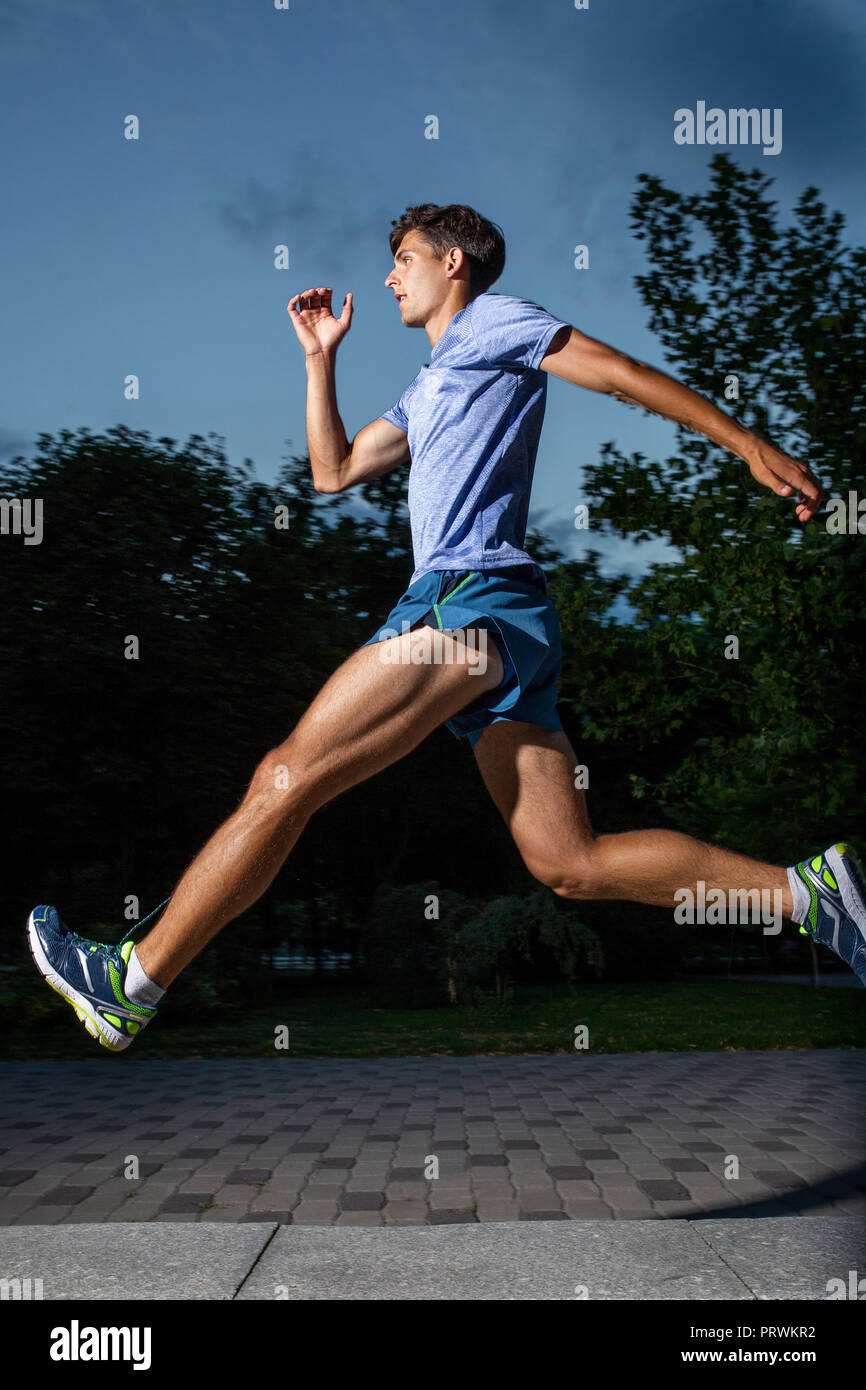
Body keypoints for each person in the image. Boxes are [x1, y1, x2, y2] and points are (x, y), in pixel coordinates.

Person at [27, 203, 866, 1051]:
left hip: (470, 602)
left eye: (404, 258)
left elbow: (611, 370)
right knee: (570, 866)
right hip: (501, 629)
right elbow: (334, 471)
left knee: (287, 775)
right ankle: (811, 896)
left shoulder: (496, 320)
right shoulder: (430, 383)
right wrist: (320, 361)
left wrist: (742, 441)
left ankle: (133, 981)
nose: (390, 276)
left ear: (453, 261)